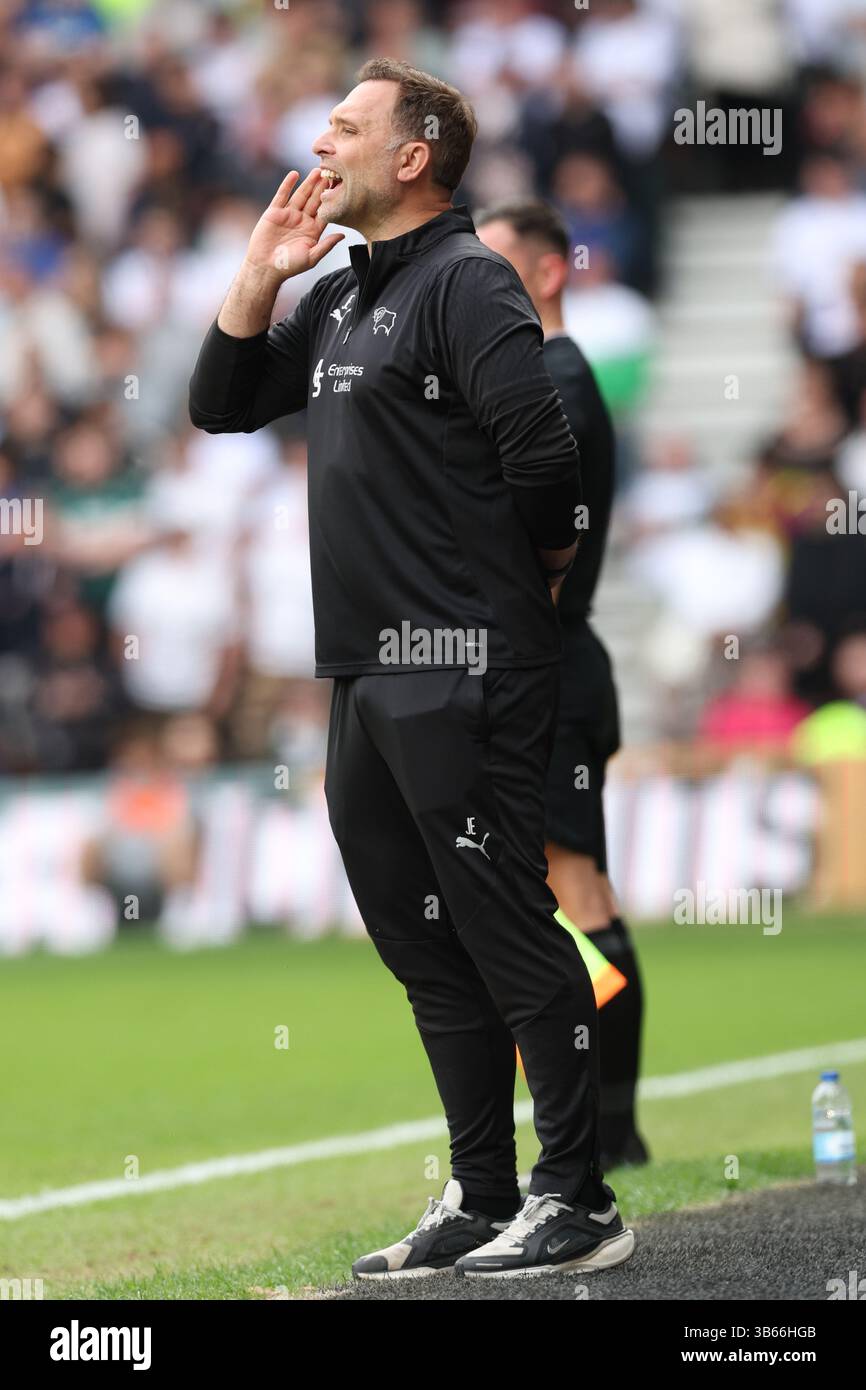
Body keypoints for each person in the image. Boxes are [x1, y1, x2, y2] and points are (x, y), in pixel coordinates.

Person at [189, 58, 633, 1281]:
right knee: (422, 944)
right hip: (364, 677)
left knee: (507, 930)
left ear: (413, 156)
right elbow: (216, 403)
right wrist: (258, 275)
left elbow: (543, 461)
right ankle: (480, 1193)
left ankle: (576, 1196)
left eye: (344, 127)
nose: (317, 148)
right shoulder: (340, 293)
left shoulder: (467, 280)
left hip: (466, 662)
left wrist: (527, 583)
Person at [477, 199, 649, 1169]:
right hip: (558, 668)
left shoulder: (554, 384)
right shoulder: (552, 380)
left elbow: (530, 545)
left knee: (571, 903)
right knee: (572, 902)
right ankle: (605, 1125)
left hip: (547, 673)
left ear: (547, 273)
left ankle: (603, 1131)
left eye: (497, 266)